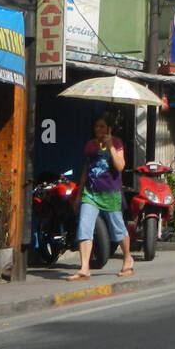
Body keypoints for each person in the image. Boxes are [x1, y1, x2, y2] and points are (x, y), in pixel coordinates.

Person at [67, 116, 133, 280]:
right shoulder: (90, 145)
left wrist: (110, 146)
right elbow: (86, 169)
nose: (99, 130)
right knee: (84, 227)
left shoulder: (117, 143)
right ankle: (84, 268)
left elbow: (120, 166)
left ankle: (127, 258)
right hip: (91, 193)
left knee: (117, 229)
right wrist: (79, 193)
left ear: (109, 128)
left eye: (102, 126)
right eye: (96, 127)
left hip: (110, 194)